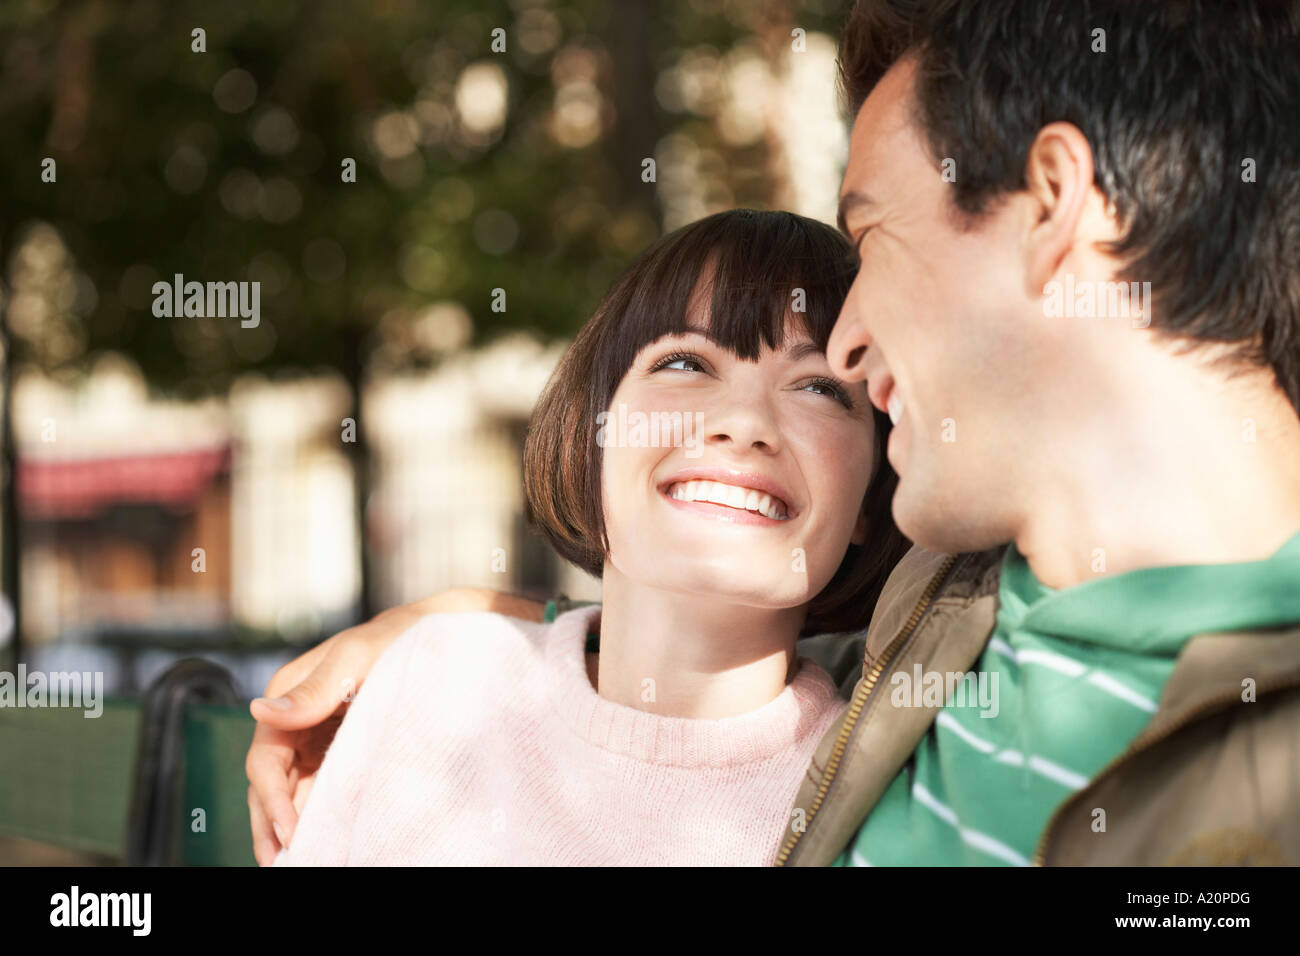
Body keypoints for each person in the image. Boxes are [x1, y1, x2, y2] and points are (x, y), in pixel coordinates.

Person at [250, 0, 1300, 866]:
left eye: (869, 235)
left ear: (1053, 209)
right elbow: (688, 661)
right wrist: (470, 636)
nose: (846, 340)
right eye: (684, 362)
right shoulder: (936, 628)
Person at [270, 208, 911, 864]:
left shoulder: (879, 808)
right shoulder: (438, 679)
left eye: (818, 387)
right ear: (591, 435)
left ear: (871, 493)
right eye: (686, 361)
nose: (745, 422)